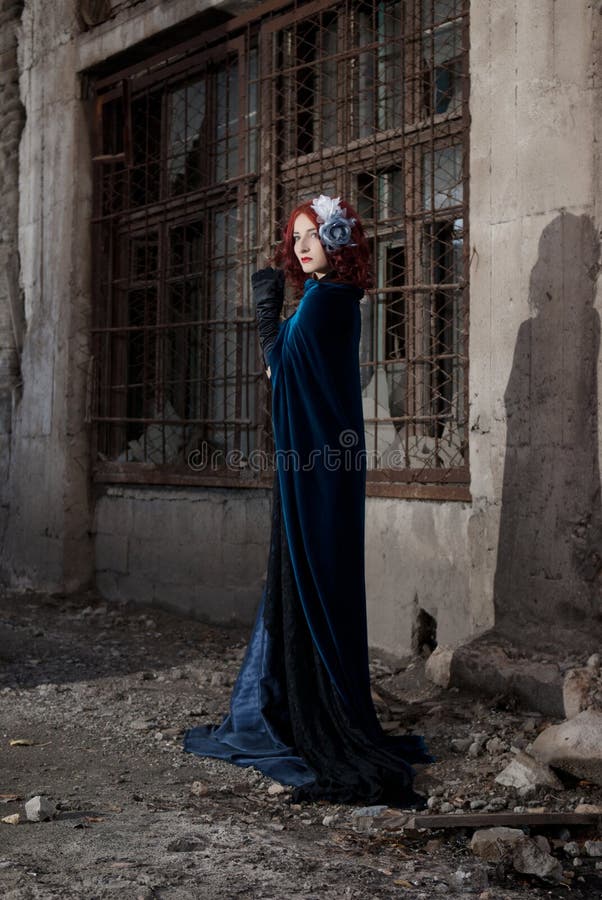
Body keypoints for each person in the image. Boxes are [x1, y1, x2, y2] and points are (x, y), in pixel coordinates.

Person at [183, 195, 432, 807]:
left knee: (311, 581)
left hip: (316, 469)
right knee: (306, 581)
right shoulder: (337, 299)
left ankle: (310, 712)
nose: (299, 246)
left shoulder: (325, 301)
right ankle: (298, 701)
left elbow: (281, 372)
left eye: (312, 235)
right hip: (322, 466)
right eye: (294, 236)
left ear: (339, 239)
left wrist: (266, 310)